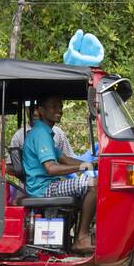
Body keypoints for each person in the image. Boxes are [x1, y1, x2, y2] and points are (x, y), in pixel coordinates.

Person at [21, 95, 96, 253]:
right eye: (53, 106)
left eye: (60, 107)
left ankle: (83, 234)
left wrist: (94, 164)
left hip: (48, 185)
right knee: (93, 185)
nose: (59, 110)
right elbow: (51, 168)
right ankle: (81, 238)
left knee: (92, 182)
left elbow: (64, 159)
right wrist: (82, 167)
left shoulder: (45, 133)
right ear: (41, 110)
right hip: (44, 188)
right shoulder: (40, 133)